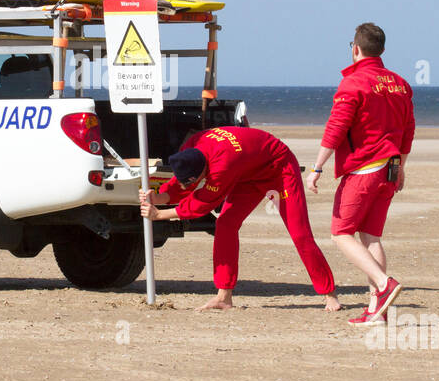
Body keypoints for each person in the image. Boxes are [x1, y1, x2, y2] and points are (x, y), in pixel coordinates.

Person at [139, 126, 339, 311]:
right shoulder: (191, 146)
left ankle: (329, 293)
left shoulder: (222, 168)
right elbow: (180, 184)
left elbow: (201, 205)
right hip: (246, 172)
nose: (188, 185)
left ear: (202, 172)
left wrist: (160, 214)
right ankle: (224, 297)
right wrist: (159, 197)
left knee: (299, 233)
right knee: (225, 224)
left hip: (278, 169)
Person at [306, 23, 415, 326]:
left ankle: (383, 284)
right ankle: (376, 311)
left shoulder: (353, 83)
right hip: (390, 169)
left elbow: (336, 130)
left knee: (341, 234)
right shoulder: (400, 84)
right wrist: (401, 167)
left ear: (355, 48)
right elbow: (408, 131)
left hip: (366, 168)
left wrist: (316, 168)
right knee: (370, 237)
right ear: (381, 49)